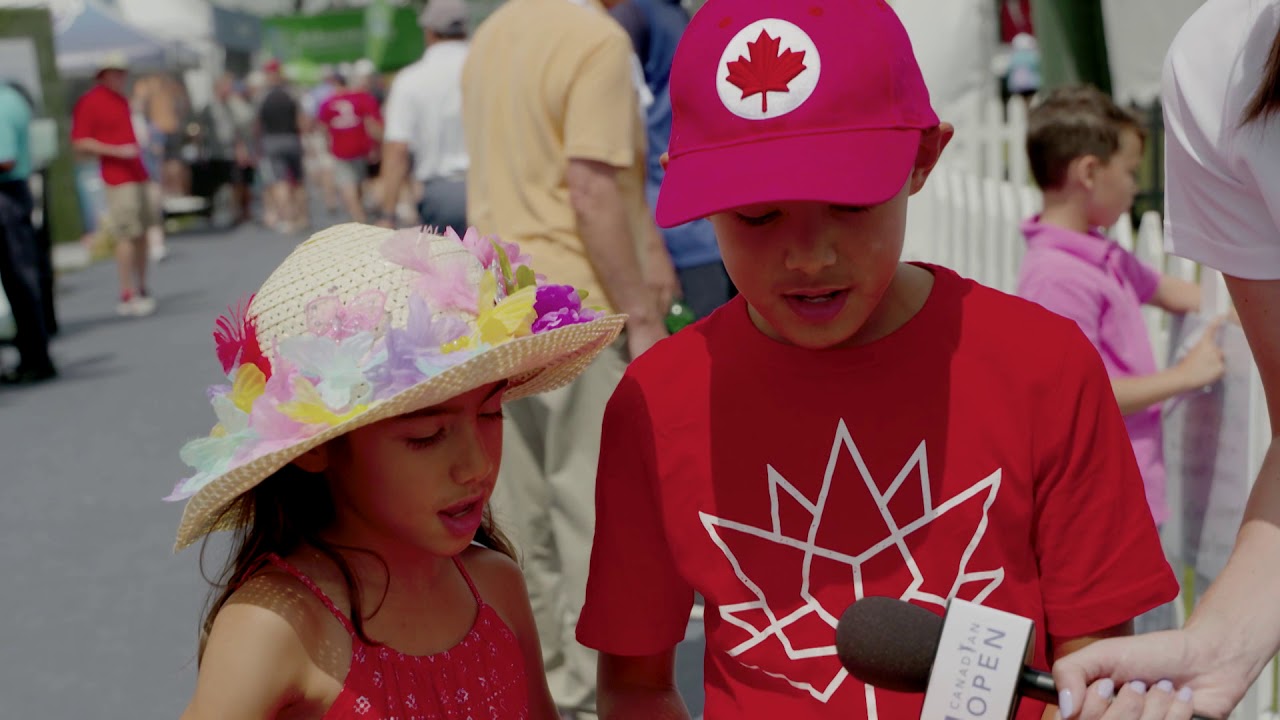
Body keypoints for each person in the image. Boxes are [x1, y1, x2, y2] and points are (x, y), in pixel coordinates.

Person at [574, 1, 1181, 718]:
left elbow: (1094, 667)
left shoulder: (1043, 367)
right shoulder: (656, 401)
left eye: (849, 201)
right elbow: (635, 685)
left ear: (922, 158)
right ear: (693, 191)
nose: (809, 256)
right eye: (757, 216)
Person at [171, 221, 626, 719]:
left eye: (491, 414)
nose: (476, 465)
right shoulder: (273, 624)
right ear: (315, 449)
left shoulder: (496, 586)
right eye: (425, 436)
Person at [1052, 2, 1280, 718]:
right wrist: (1222, 640)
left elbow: (1171, 287)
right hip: (1134, 501)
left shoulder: (1107, 259)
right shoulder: (1221, 69)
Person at [462, 0, 677, 715]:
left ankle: (547, 688)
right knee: (591, 518)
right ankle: (588, 698)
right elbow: (591, 187)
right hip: (572, 304)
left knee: (521, 523)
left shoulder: (490, 37)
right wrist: (641, 313)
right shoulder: (592, 39)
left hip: (493, 301)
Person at [1015, 87, 1222, 552]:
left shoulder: (1101, 254)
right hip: (1106, 503)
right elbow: (1085, 392)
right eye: (1129, 171)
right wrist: (1185, 377)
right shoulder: (1057, 278)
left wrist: (1237, 311)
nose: (1135, 186)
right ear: (1090, 172)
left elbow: (1171, 291)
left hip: (1135, 490)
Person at [610, 0, 736, 320]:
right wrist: (650, 247)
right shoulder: (634, 15)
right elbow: (618, 139)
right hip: (676, 232)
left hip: (716, 223)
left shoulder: (681, 11)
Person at [71, 53, 157, 318]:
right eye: (115, 71)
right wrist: (117, 151)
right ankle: (127, 292)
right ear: (104, 74)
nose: (121, 76)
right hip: (117, 177)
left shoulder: (122, 99)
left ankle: (142, 287)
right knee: (126, 234)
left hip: (137, 173)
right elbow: (80, 142)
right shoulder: (90, 101)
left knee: (142, 232)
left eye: (123, 71)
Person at [377, 0, 471, 234]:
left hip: (442, 194)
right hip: (494, 187)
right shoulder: (490, 69)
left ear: (429, 32)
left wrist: (388, 213)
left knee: (451, 267)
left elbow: (397, 148)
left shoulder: (411, 79)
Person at [0, 79, 55, 384]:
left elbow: (4, 159)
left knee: (19, 281)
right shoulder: (11, 98)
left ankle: (35, 358)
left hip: (5, 194)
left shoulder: (2, 103)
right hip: (11, 195)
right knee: (21, 278)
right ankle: (34, 354)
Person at [315, 73, 383, 224]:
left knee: (347, 183)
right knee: (359, 181)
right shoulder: (360, 98)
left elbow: (322, 127)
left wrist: (327, 144)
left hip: (340, 148)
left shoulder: (328, 103)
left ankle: (358, 216)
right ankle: (361, 212)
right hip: (360, 147)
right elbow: (370, 123)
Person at [256, 60, 307, 234]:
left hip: (271, 140)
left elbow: (256, 123)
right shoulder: (291, 92)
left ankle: (288, 219)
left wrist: (257, 144)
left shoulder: (262, 95)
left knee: (280, 181)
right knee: (298, 181)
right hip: (292, 138)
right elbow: (301, 118)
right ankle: (302, 217)